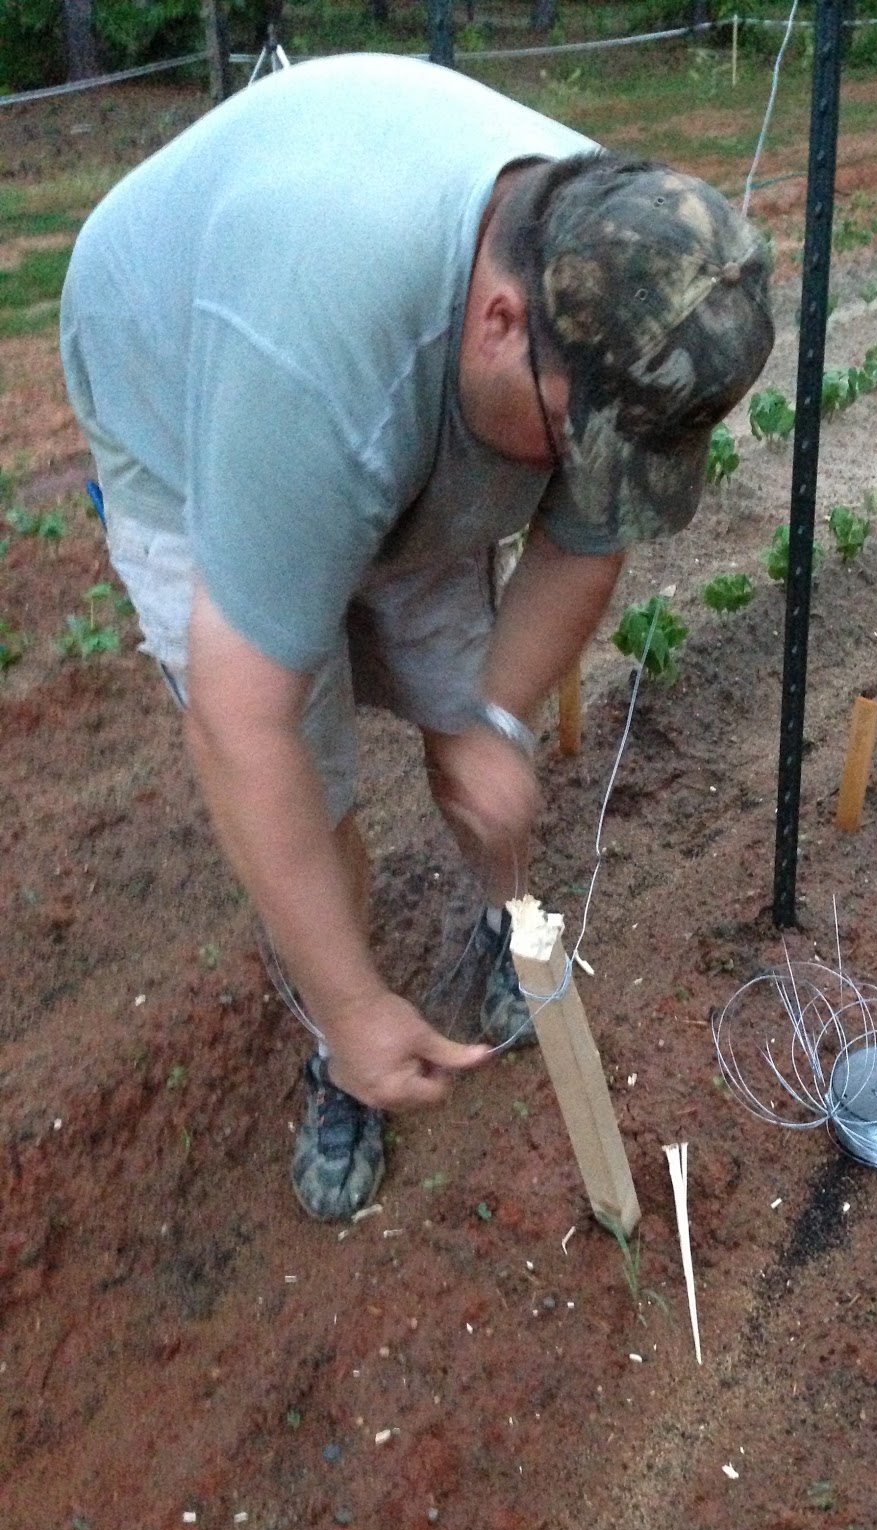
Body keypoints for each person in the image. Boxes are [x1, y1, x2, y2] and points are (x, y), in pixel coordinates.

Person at [59, 53, 774, 1222]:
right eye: (573, 440)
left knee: (463, 703)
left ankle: (507, 927)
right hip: (182, 384)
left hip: (383, 367)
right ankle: (341, 1057)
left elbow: (585, 537)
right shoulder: (321, 370)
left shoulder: (611, 267)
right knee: (308, 760)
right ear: (499, 321)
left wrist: (495, 720)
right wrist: (354, 1006)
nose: (580, 481)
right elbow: (244, 729)